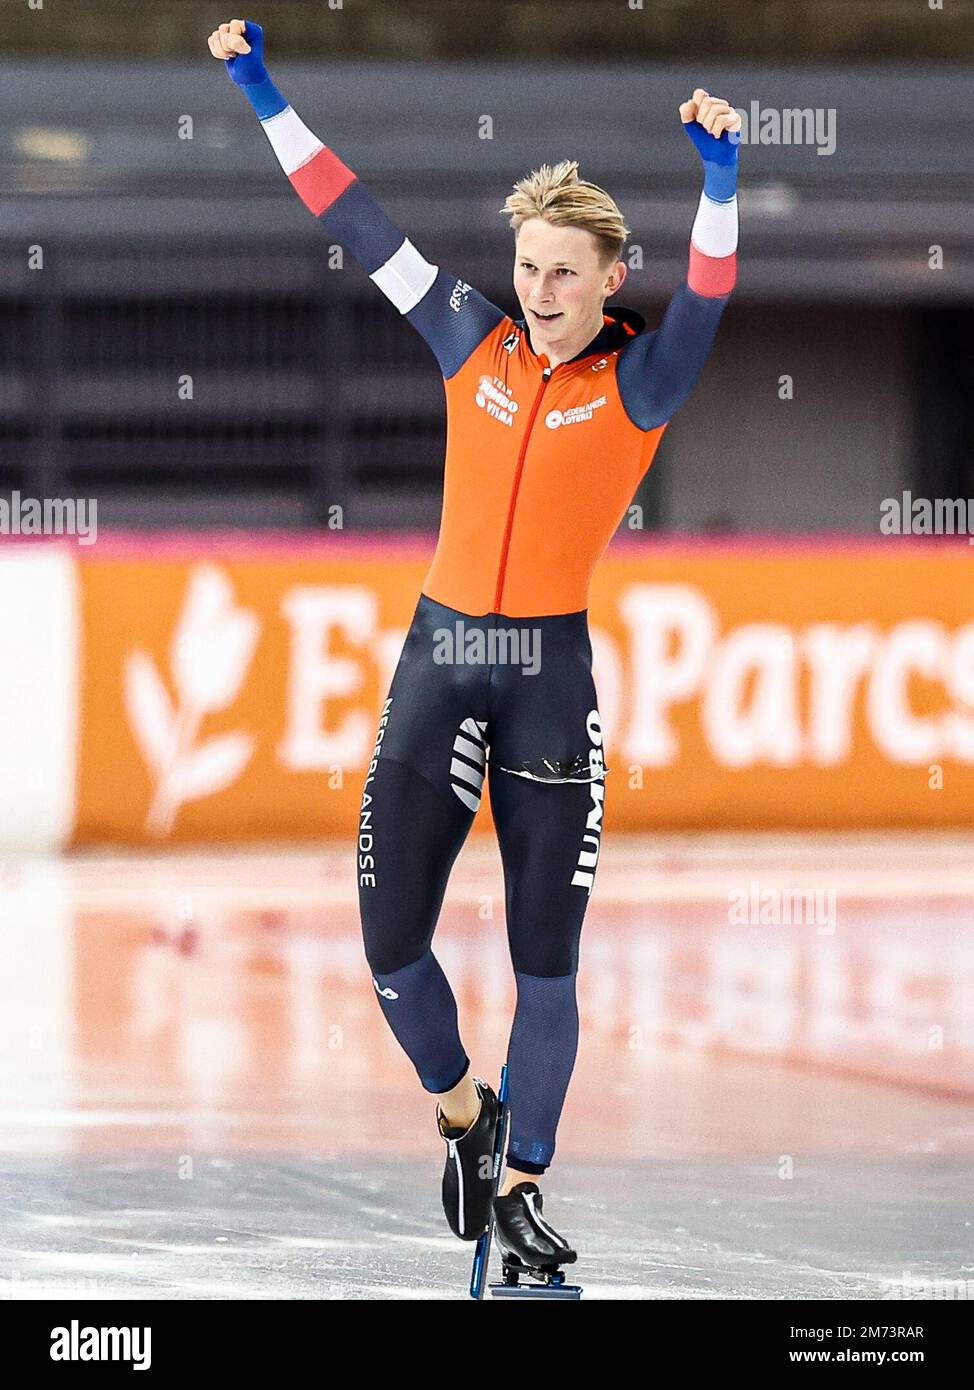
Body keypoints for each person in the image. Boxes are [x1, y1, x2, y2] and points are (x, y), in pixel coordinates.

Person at [209, 16, 739, 1278]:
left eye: (563, 272)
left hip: (548, 682)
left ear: (609, 278)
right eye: (526, 265)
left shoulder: (639, 383)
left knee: (542, 966)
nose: (538, 290)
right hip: (437, 663)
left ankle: (522, 1186)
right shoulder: (468, 336)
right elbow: (352, 217)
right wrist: (258, 87)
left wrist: (719, 178)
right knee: (390, 944)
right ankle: (461, 1114)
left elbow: (711, 293)